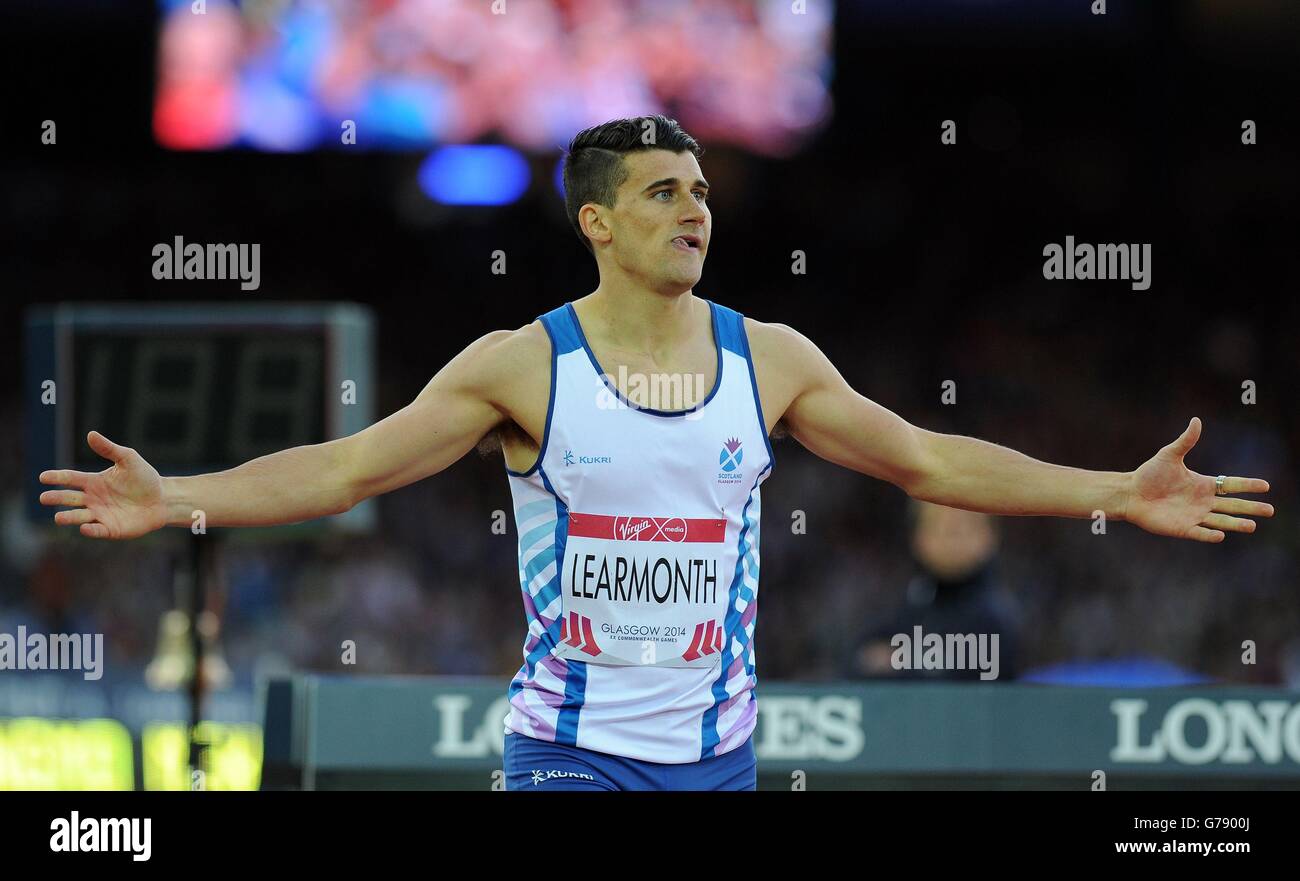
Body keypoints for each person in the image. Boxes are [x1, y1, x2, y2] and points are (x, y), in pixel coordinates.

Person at [38, 115, 1274, 791]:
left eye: (699, 191)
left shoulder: (770, 357)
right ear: (595, 222)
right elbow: (345, 469)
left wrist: (1116, 489)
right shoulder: (520, 364)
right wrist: (178, 498)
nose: (694, 209)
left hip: (718, 758)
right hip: (570, 753)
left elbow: (930, 462)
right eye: (661, 194)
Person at [848, 500, 1021, 682]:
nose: (950, 536)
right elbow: (859, 658)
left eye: (963, 526)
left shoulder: (995, 616)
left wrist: (898, 662)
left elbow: (960, 681)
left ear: (990, 536)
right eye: (938, 525)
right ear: (918, 537)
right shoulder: (907, 600)